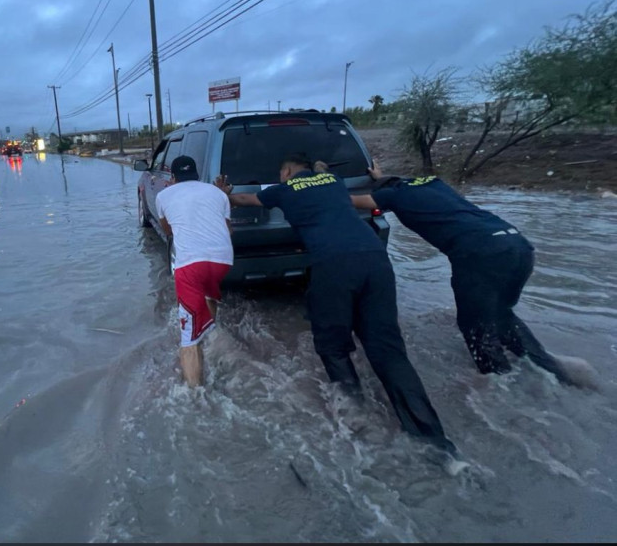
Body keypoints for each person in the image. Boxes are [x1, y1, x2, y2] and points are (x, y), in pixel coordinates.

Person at [216, 155, 464, 465]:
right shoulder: (333, 181)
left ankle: (357, 421)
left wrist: (224, 193)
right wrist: (363, 173)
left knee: (332, 345)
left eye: (281, 172)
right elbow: (323, 174)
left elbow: (244, 199)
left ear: (288, 171)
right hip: (375, 259)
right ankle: (436, 443)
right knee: (388, 350)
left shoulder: (284, 190)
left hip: (334, 264)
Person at [349, 161, 589, 386]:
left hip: (480, 253)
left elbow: (349, 201)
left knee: (474, 325)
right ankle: (552, 371)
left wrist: (330, 187)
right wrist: (379, 177)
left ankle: (497, 383)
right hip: (518, 246)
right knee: (502, 314)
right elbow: (398, 185)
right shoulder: (434, 183)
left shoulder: (391, 195)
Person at [155, 155, 233, 388]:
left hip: (191, 265)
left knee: (188, 340)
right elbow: (228, 230)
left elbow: (168, 231)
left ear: (173, 177)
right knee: (208, 294)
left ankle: (195, 396)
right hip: (222, 261)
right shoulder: (218, 193)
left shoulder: (163, 196)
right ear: (196, 174)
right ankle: (208, 332)